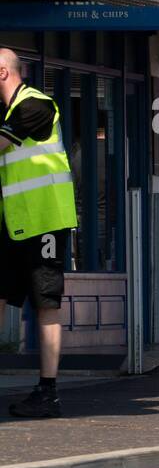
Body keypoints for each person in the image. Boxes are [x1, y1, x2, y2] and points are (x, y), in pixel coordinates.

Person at [0, 48, 79, 417]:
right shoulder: (7, 110)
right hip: (14, 224)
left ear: (3, 73)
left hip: (45, 223)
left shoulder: (37, 105)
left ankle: (48, 392)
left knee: (46, 305)